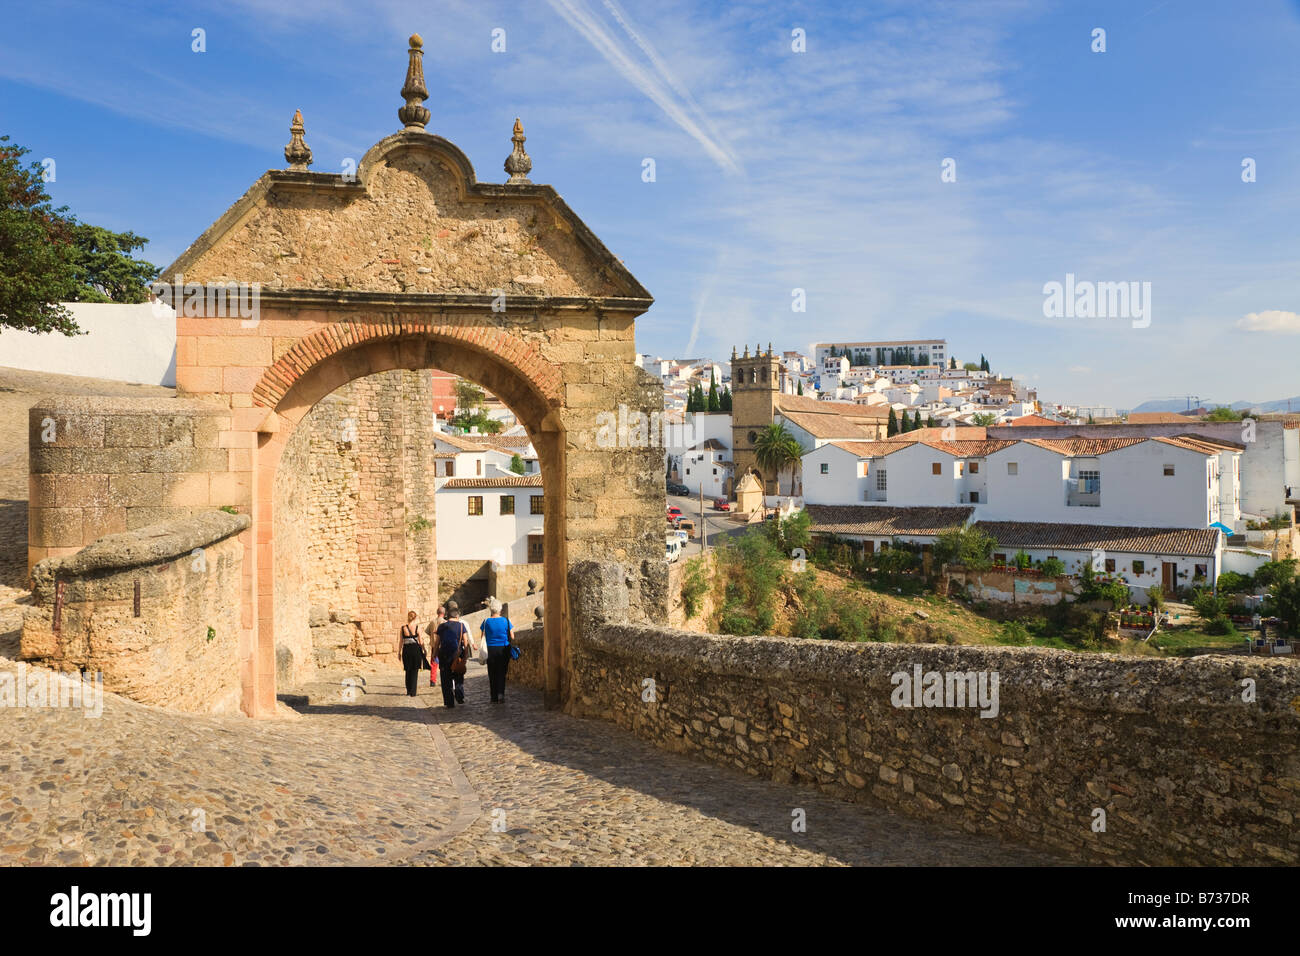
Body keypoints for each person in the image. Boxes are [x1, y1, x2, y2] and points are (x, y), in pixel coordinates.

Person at [480, 599, 517, 703]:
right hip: (503, 649)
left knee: (492, 673)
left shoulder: (486, 621)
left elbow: (482, 636)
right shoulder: (506, 620)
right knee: (502, 672)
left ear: (491, 609)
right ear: (500, 609)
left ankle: (493, 696)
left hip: (490, 649)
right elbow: (512, 636)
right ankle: (501, 694)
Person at [434, 601, 470, 708]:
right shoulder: (461, 626)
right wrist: (465, 656)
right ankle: (460, 697)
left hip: (444, 656)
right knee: (458, 676)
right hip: (457, 655)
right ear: (457, 615)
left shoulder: (442, 626)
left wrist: (434, 654)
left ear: (447, 616)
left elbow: (437, 643)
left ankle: (449, 702)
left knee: (446, 679)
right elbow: (465, 641)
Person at [399, 610, 425, 697]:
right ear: (415, 618)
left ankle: (408, 690)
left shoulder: (403, 628)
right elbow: (421, 641)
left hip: (406, 650)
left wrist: (399, 652)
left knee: (407, 670)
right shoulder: (418, 628)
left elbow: (401, 641)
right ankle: (413, 692)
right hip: (415, 650)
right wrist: (424, 649)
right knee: (415, 670)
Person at [425, 606, 446, 687]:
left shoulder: (432, 622)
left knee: (434, 664)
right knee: (443, 664)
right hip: (442, 646)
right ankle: (444, 680)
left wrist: (433, 637)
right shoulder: (445, 622)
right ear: (444, 613)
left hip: (434, 646)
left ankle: (432, 681)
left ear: (437, 613)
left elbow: (427, 631)